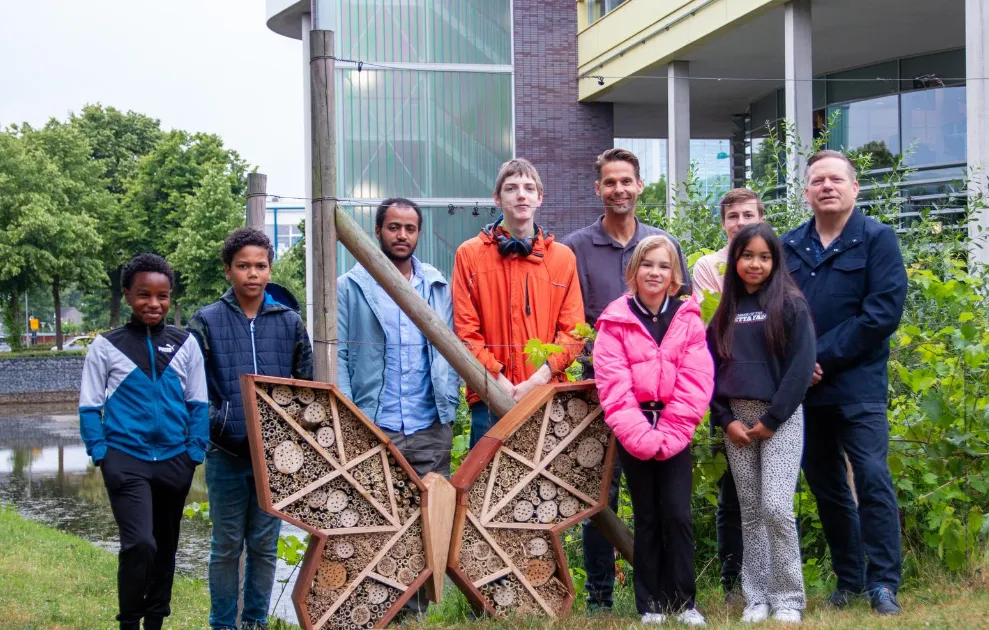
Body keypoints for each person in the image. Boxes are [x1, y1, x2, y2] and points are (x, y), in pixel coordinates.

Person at [560, 147, 690, 613]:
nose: (619, 189)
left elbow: (684, 314)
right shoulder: (575, 248)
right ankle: (600, 596)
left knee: (664, 502)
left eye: (626, 181)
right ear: (598, 189)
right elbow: (570, 319)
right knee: (601, 495)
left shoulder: (662, 243)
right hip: (600, 391)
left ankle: (671, 593)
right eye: (609, 182)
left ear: (639, 186)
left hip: (661, 399)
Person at [782, 149, 907, 615]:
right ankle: (849, 581)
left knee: (872, 479)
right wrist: (799, 365)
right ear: (807, 192)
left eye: (837, 179)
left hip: (858, 387)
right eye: (818, 181)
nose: (827, 186)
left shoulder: (878, 239)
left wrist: (818, 357)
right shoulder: (789, 245)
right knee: (826, 486)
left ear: (855, 188)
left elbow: (881, 315)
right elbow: (778, 313)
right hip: (806, 390)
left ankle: (883, 584)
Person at [188, 228, 313, 630]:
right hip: (225, 455)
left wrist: (290, 440)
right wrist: (220, 425)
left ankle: (255, 621)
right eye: (243, 266)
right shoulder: (206, 321)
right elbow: (192, 390)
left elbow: (304, 389)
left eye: (260, 265)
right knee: (225, 546)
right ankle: (223, 624)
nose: (253, 274)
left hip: (275, 461)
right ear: (228, 271)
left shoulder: (289, 322)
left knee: (263, 544)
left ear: (270, 268)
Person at [79, 253, 208, 630]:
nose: (153, 303)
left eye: (162, 295)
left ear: (170, 297)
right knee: (140, 544)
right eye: (143, 295)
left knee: (165, 547)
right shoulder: (106, 346)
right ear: (127, 296)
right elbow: (90, 405)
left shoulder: (185, 344)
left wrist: (194, 451)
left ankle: (155, 621)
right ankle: (129, 621)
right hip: (125, 458)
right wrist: (100, 452)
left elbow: (198, 402)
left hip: (175, 460)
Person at [592, 235, 714, 627]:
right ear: (634, 271)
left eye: (664, 266)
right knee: (647, 516)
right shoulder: (616, 319)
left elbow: (696, 379)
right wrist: (640, 435)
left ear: (674, 274)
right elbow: (613, 383)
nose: (655, 273)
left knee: (677, 514)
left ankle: (684, 601)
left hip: (676, 425)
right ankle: (651, 605)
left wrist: (673, 431)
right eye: (648, 265)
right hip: (634, 426)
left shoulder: (687, 317)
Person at [708, 223, 816, 624]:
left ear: (775, 261)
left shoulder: (791, 305)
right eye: (747, 255)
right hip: (736, 420)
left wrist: (772, 419)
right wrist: (725, 420)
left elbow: (801, 368)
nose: (755, 264)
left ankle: (788, 597)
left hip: (780, 420)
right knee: (750, 510)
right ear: (735, 259)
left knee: (775, 506)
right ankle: (757, 596)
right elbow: (709, 372)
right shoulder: (725, 312)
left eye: (764, 257)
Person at [452, 158, 585, 447]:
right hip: (487, 398)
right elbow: (465, 332)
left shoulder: (563, 258)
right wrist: (498, 382)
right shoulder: (469, 255)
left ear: (540, 197)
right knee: (485, 486)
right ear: (497, 198)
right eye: (511, 188)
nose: (521, 194)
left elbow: (573, 332)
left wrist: (537, 380)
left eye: (528, 188)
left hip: (544, 394)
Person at [337, 197, 460, 478]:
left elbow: (452, 351)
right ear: (378, 230)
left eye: (410, 228)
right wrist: (350, 419)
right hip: (374, 424)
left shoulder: (435, 285)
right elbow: (339, 354)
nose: (402, 235)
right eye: (393, 227)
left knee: (434, 515)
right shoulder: (349, 287)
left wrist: (449, 401)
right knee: (376, 513)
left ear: (418, 233)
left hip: (430, 427)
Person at [690, 187, 765, 601]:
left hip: (770, 391)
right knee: (732, 494)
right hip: (724, 389)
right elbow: (711, 326)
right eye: (733, 216)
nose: (740, 222)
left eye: (748, 214)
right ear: (723, 222)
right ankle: (733, 584)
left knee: (773, 492)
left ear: (761, 218)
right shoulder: (707, 266)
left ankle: (770, 577)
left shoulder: (773, 260)